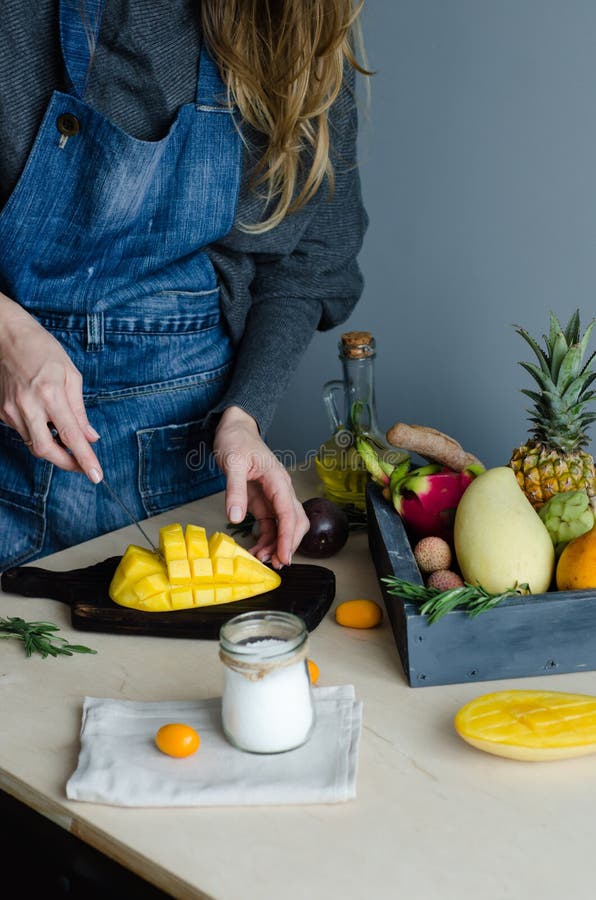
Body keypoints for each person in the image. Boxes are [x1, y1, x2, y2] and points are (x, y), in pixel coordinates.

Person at [0, 0, 369, 573]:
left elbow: (307, 261)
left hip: (191, 467)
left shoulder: (295, 23)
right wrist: (6, 331)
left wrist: (246, 415)